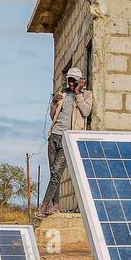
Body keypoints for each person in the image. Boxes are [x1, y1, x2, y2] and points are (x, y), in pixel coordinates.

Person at [37, 66, 93, 218]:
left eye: (74, 80)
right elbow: (53, 116)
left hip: (67, 139)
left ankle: (43, 206)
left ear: (81, 81)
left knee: (56, 173)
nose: (71, 83)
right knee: (54, 173)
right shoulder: (63, 94)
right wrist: (54, 104)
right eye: (69, 80)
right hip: (54, 136)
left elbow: (86, 112)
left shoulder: (86, 95)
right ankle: (55, 205)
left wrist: (78, 94)